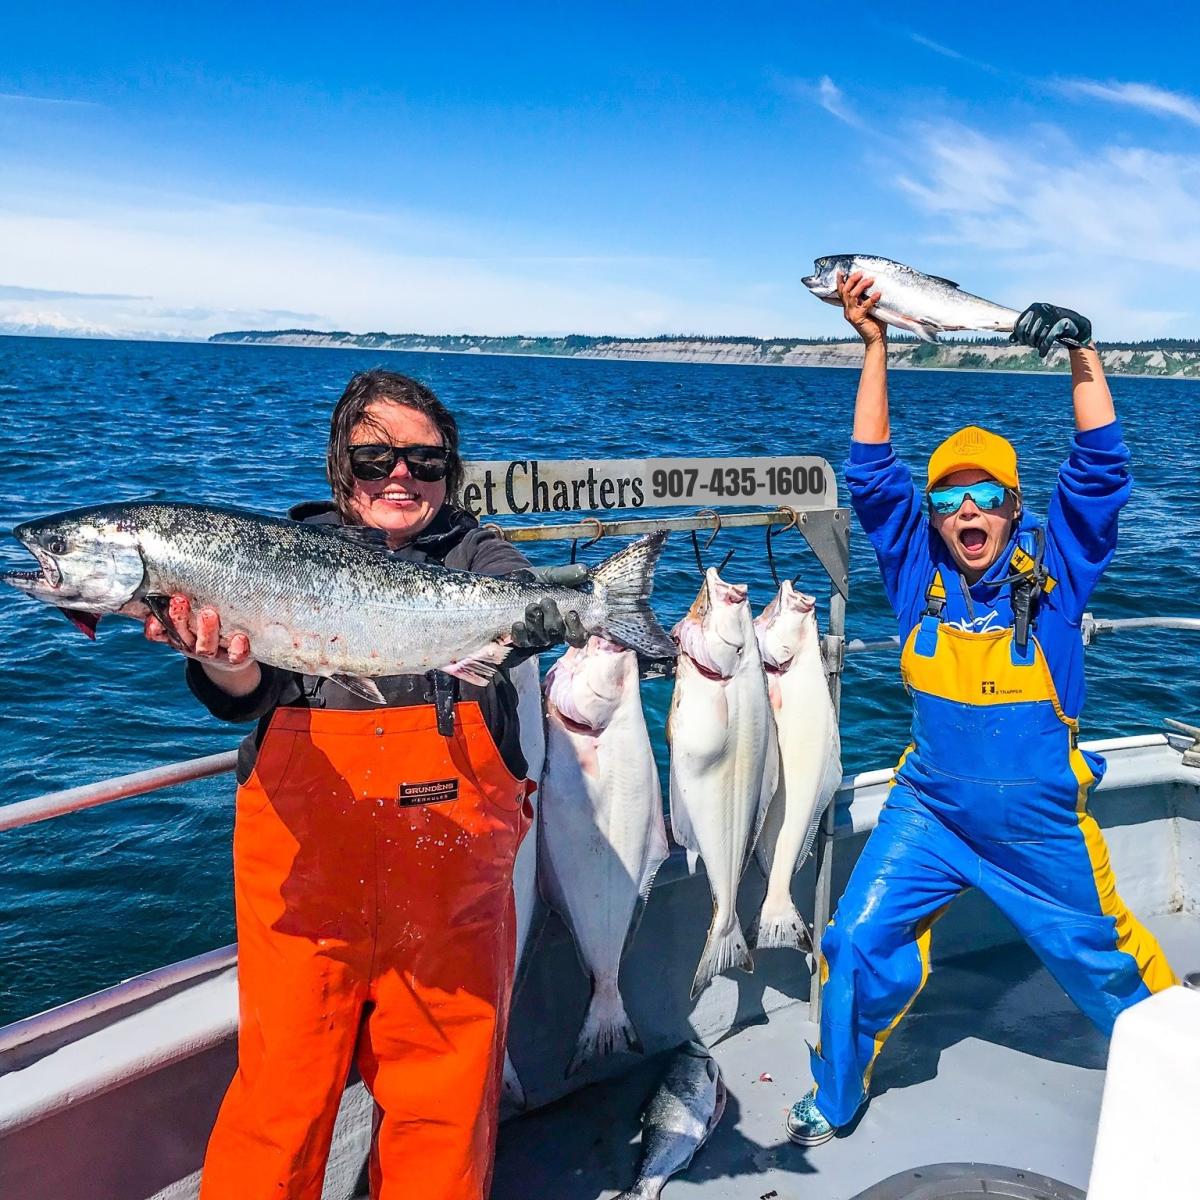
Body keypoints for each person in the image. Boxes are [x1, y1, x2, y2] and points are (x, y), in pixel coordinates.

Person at [144, 369, 585, 1199]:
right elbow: (244, 700)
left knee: (443, 1120)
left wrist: (556, 615)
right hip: (306, 904)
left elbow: (523, 614)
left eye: (425, 460)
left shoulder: (482, 559)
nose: (400, 478)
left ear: (450, 472)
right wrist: (218, 660)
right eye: (376, 456)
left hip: (450, 910)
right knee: (279, 1114)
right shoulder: (272, 562)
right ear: (340, 468)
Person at [785, 276, 1177, 1145]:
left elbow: (1102, 468)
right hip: (930, 815)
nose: (969, 510)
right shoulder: (911, 573)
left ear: (1013, 508)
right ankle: (836, 1097)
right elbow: (870, 473)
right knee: (852, 942)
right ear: (932, 515)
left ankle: (1187, 1075)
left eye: (988, 496)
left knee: (1110, 974)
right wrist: (876, 345)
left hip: (1042, 831)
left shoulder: (1057, 572)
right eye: (951, 498)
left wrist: (1082, 353)